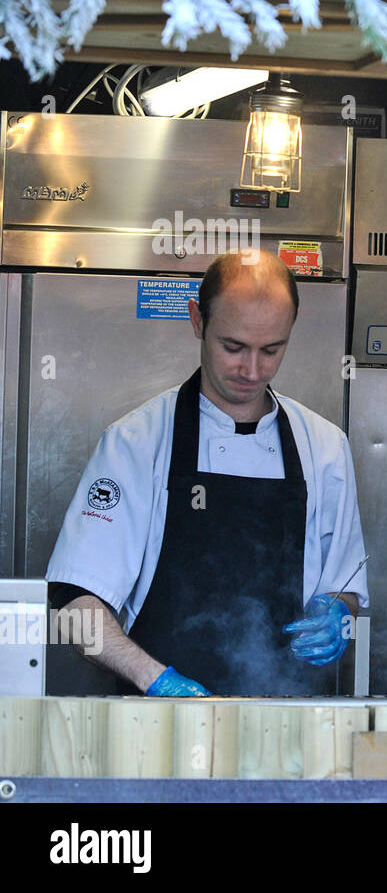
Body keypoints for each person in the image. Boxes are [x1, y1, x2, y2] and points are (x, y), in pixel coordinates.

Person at [44, 251, 368, 696]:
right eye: (233, 347)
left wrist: (338, 614)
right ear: (198, 320)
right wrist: (155, 680)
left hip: (286, 723)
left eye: (271, 350)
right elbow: (73, 605)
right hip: (157, 728)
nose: (252, 370)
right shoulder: (136, 443)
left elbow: (345, 586)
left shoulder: (326, 448)